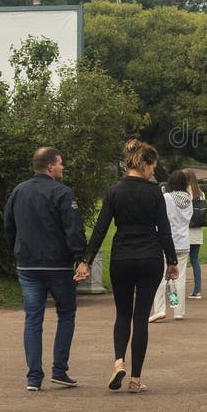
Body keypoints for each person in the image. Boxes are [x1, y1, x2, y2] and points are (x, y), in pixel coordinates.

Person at [77, 140, 178, 393]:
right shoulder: (154, 192)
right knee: (141, 317)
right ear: (144, 164)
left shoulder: (114, 191)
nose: (154, 172)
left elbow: (100, 229)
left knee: (122, 314)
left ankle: (118, 361)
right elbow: (164, 231)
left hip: (122, 257)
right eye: (153, 167)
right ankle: (135, 379)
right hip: (150, 258)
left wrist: (85, 261)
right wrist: (173, 261)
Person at [4, 146, 88, 391]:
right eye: (61, 163)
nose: (63, 167)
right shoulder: (62, 193)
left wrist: (17, 249)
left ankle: (33, 377)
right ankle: (59, 370)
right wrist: (80, 257)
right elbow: (73, 228)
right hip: (58, 265)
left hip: (28, 264)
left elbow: (9, 225)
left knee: (32, 319)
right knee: (66, 314)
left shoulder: (18, 191)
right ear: (50, 166)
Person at [149, 169, 192, 322]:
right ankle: (178, 311)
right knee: (179, 279)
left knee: (160, 277)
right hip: (184, 242)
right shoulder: (188, 198)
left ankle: (160, 309)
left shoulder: (167, 197)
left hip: (167, 242)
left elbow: (160, 217)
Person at [184, 167, 206, 299]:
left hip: (184, 232)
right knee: (195, 260)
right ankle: (197, 290)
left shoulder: (184, 193)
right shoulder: (201, 194)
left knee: (179, 264)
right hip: (197, 231)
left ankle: (174, 295)